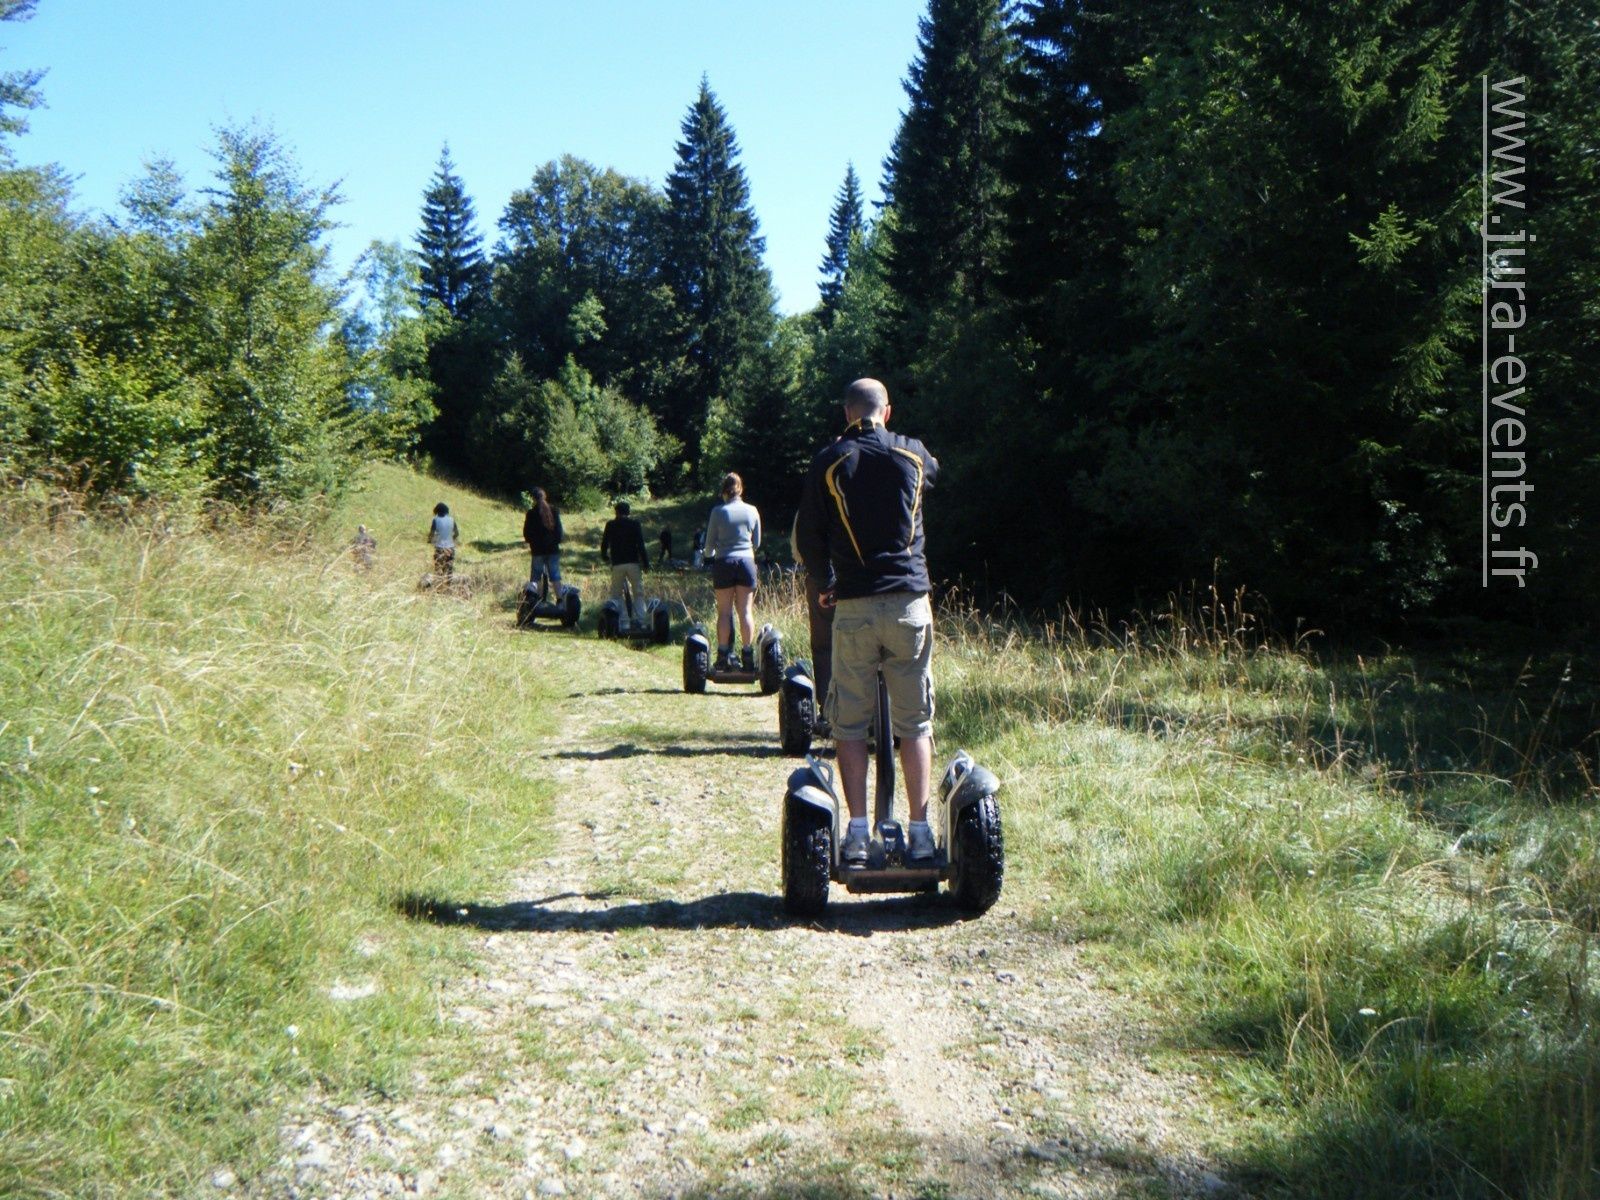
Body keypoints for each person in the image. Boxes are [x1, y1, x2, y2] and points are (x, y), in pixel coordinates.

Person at [794, 378, 940, 866]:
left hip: (855, 605)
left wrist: (825, 582)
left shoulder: (829, 461)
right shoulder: (914, 453)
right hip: (909, 604)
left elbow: (811, 536)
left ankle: (857, 834)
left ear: (846, 413)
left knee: (850, 724)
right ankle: (919, 834)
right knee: (915, 724)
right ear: (888, 412)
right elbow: (932, 478)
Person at [703, 472, 762, 671]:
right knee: (745, 611)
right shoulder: (752, 510)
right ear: (741, 489)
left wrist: (709, 553)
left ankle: (722, 656)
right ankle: (747, 656)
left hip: (724, 562)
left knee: (724, 612)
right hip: (746, 561)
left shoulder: (718, 512)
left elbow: (709, 546)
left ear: (723, 491)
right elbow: (757, 542)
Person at [791, 512, 833, 734]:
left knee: (824, 645)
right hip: (862, 578)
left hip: (821, 577)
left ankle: (828, 709)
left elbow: (798, 550)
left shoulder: (814, 498)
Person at [599, 501, 650, 620]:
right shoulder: (635, 524)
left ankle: (623, 618)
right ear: (628, 512)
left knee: (616, 594)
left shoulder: (610, 524)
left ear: (616, 512)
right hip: (633, 562)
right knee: (638, 592)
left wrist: (605, 556)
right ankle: (640, 617)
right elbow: (641, 545)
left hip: (617, 563)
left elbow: (604, 543)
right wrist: (646, 563)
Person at [523, 488, 564, 586]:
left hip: (537, 550)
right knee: (555, 576)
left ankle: (537, 598)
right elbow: (559, 531)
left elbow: (527, 533)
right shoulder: (554, 511)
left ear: (533, 499)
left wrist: (531, 542)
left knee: (535, 577)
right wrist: (556, 542)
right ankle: (559, 599)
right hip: (552, 549)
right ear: (545, 496)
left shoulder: (531, 513)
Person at [427, 502, 459, 576]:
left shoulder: (435, 520)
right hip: (450, 548)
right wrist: (451, 538)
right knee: (449, 571)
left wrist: (430, 540)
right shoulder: (452, 520)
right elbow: (457, 533)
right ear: (446, 511)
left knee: (438, 569)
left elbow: (431, 534)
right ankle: (449, 585)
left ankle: (438, 585)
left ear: (437, 511)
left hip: (440, 548)